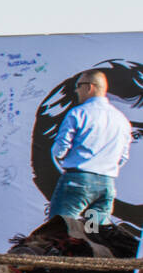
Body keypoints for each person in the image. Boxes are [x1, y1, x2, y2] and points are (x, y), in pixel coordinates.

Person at [49, 69, 132, 223]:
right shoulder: (122, 120)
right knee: (94, 234)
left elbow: (60, 149)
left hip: (78, 181)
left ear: (90, 87)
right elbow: (123, 157)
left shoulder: (78, 113)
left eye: (78, 85)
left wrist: (61, 156)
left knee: (59, 231)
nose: (76, 90)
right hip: (106, 185)